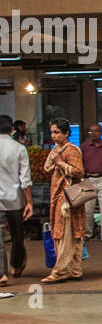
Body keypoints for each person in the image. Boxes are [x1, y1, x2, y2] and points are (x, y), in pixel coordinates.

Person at [41, 120, 86, 283]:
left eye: (57, 132)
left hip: (67, 198)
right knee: (67, 233)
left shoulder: (72, 150)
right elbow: (46, 168)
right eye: (52, 132)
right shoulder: (56, 150)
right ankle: (74, 270)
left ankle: (60, 271)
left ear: (67, 134)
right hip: (58, 196)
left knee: (66, 234)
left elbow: (79, 171)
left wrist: (60, 162)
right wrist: (55, 156)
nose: (54, 136)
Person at [0, 114, 32, 285]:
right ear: (12, 129)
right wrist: (29, 202)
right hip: (15, 199)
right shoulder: (19, 149)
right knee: (17, 234)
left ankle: (1, 274)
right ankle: (17, 265)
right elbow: (25, 179)